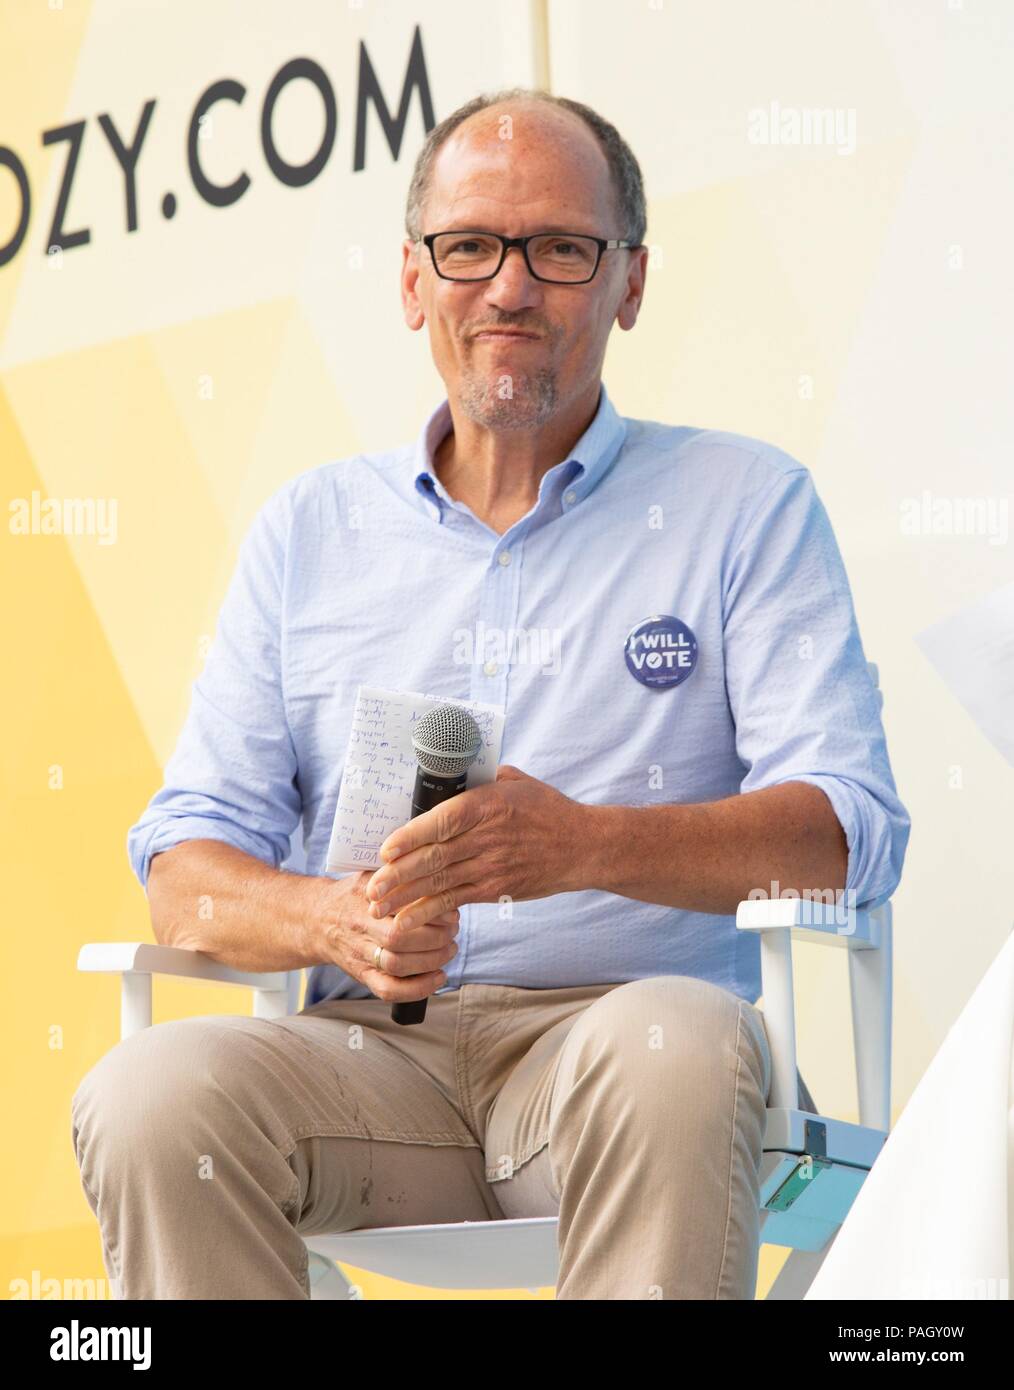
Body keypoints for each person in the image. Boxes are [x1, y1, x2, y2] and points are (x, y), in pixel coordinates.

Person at [71, 87, 910, 1300]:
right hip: (366, 1067)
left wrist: (578, 842)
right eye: (469, 247)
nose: (510, 287)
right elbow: (185, 870)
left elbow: (848, 834)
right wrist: (333, 923)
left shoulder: (744, 505)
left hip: (617, 1049)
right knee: (146, 1096)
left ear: (628, 282)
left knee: (672, 1045)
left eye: (561, 248)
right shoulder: (311, 530)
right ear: (414, 282)